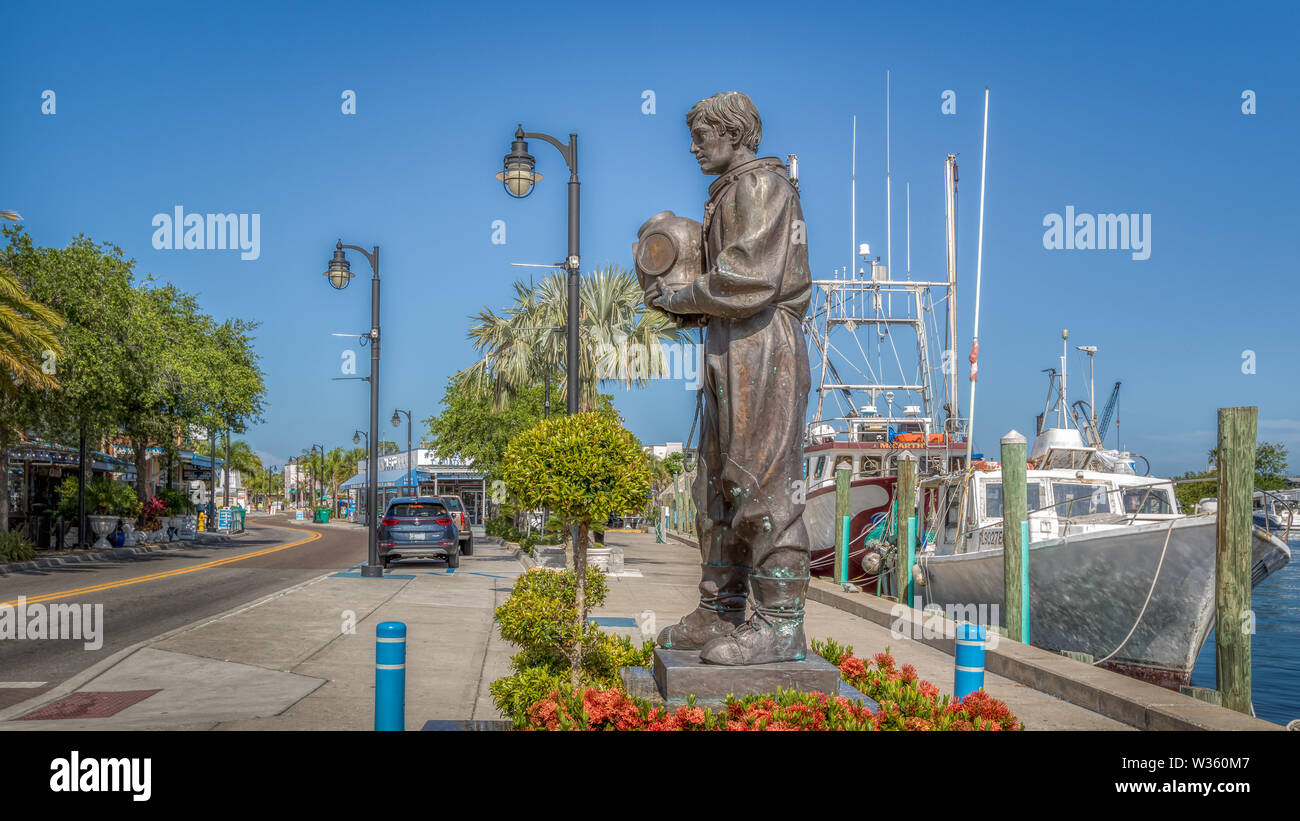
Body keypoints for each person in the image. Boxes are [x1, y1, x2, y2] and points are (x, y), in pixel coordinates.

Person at [648, 91, 813, 665]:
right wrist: (678, 303)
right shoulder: (729, 193)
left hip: (763, 343)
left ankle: (781, 622)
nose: (694, 147)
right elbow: (727, 288)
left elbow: (752, 280)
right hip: (730, 342)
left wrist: (683, 295)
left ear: (735, 133)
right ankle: (720, 607)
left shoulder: (762, 186)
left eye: (703, 134)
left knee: (758, 478)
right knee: (715, 482)